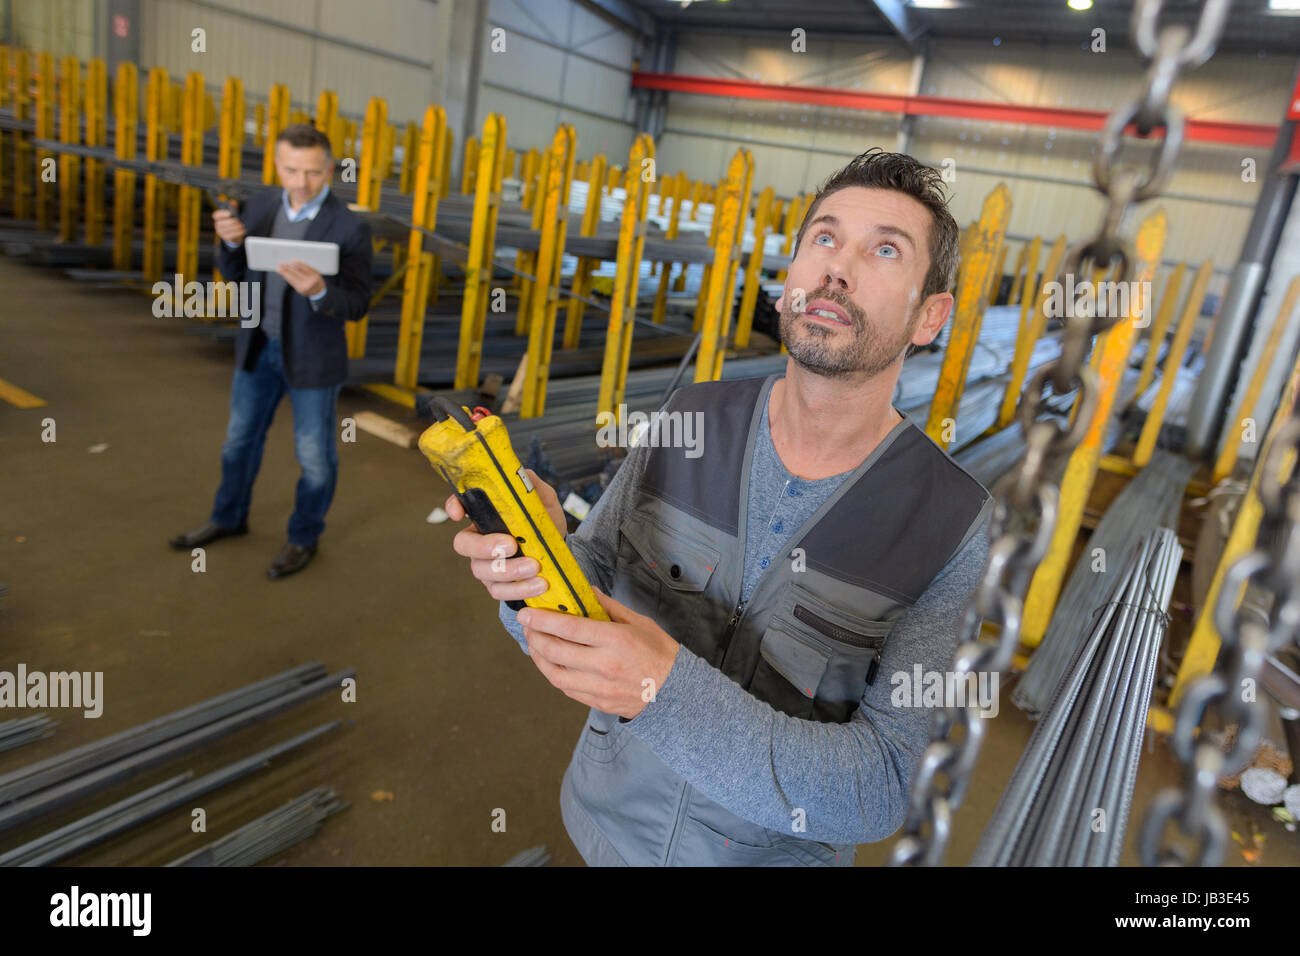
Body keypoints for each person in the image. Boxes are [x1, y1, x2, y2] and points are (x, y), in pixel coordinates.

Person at [448, 147, 992, 865]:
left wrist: (661, 690)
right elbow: (572, 601)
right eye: (823, 238)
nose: (837, 267)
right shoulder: (689, 418)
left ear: (930, 316)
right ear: (788, 281)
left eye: (883, 250)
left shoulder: (952, 521)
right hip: (604, 824)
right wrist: (533, 560)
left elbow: (883, 784)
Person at [169, 124, 373, 579]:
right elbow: (238, 274)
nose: (301, 183)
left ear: (330, 170)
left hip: (313, 361)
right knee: (239, 441)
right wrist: (230, 243)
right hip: (258, 348)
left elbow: (358, 303)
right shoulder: (259, 206)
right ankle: (228, 518)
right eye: (291, 169)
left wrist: (322, 291)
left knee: (315, 456)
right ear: (277, 164)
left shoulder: (349, 227)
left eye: (313, 173)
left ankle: (303, 538)